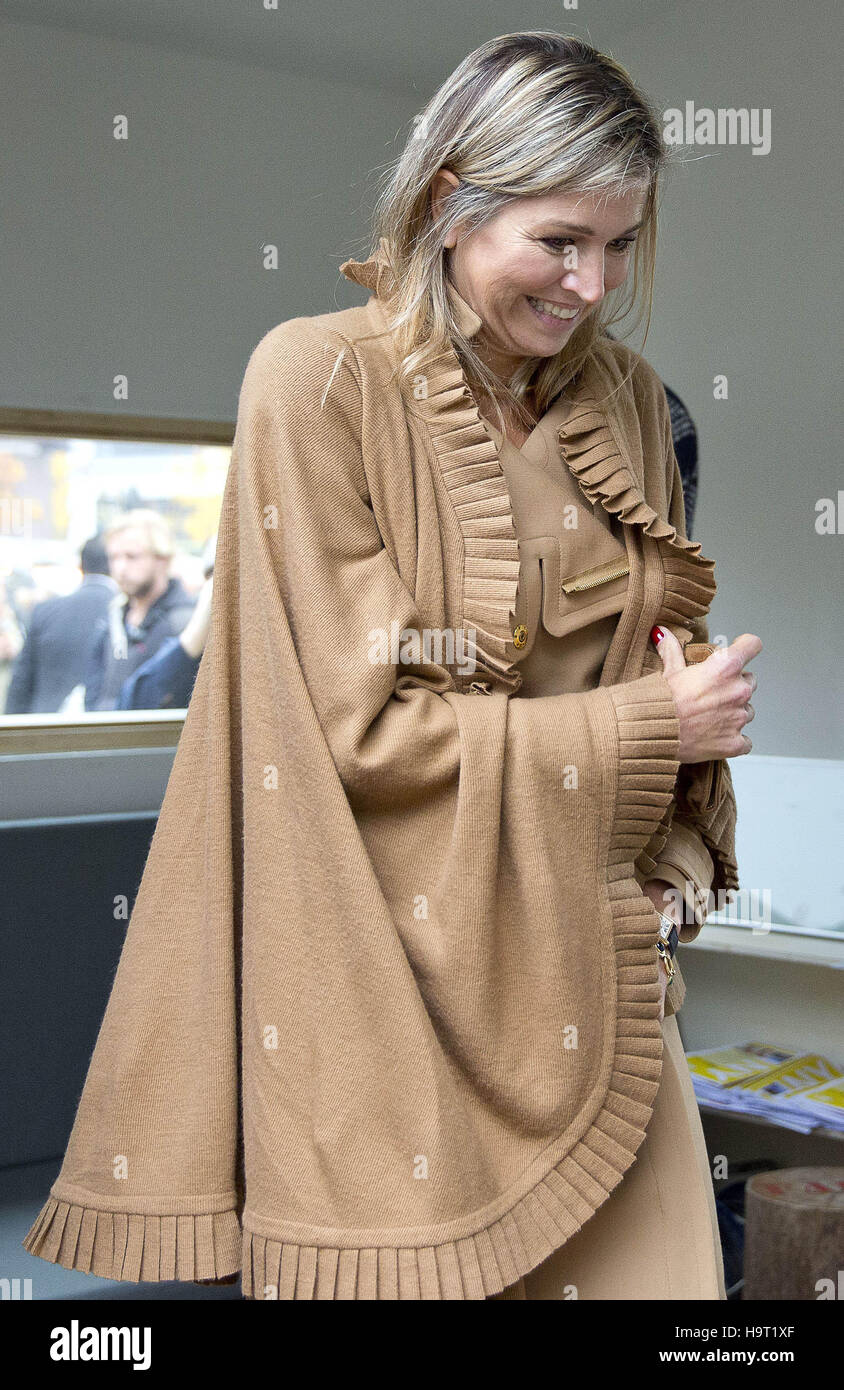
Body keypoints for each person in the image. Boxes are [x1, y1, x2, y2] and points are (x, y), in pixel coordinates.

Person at [22, 32, 760, 1300]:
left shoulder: (632, 404)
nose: (593, 283)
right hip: (385, 1007)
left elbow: (663, 662)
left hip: (601, 994)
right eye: (557, 240)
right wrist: (653, 727)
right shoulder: (313, 381)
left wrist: (679, 868)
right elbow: (366, 736)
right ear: (447, 201)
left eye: (622, 244)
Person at [83, 509, 196, 711]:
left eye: (131, 557)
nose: (120, 568)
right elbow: (95, 692)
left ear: (163, 558)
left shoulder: (185, 621)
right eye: (114, 558)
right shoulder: (113, 617)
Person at [3, 536, 117, 715]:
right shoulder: (124, 613)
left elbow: (20, 685)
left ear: (81, 566)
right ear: (114, 564)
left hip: (45, 728)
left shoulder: (46, 611)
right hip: (111, 730)